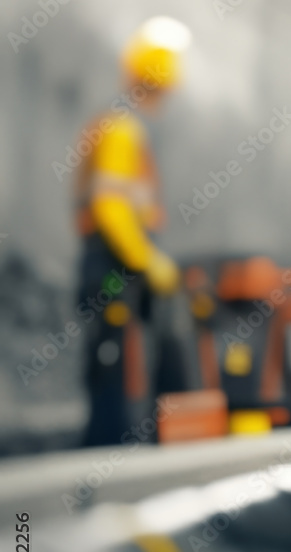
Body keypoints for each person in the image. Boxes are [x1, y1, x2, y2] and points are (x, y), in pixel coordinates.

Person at [74, 17, 193, 445]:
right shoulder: (123, 128)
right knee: (115, 363)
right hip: (112, 263)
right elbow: (109, 204)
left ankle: (118, 451)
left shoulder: (127, 126)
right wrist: (147, 259)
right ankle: (105, 460)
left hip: (115, 263)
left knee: (121, 361)